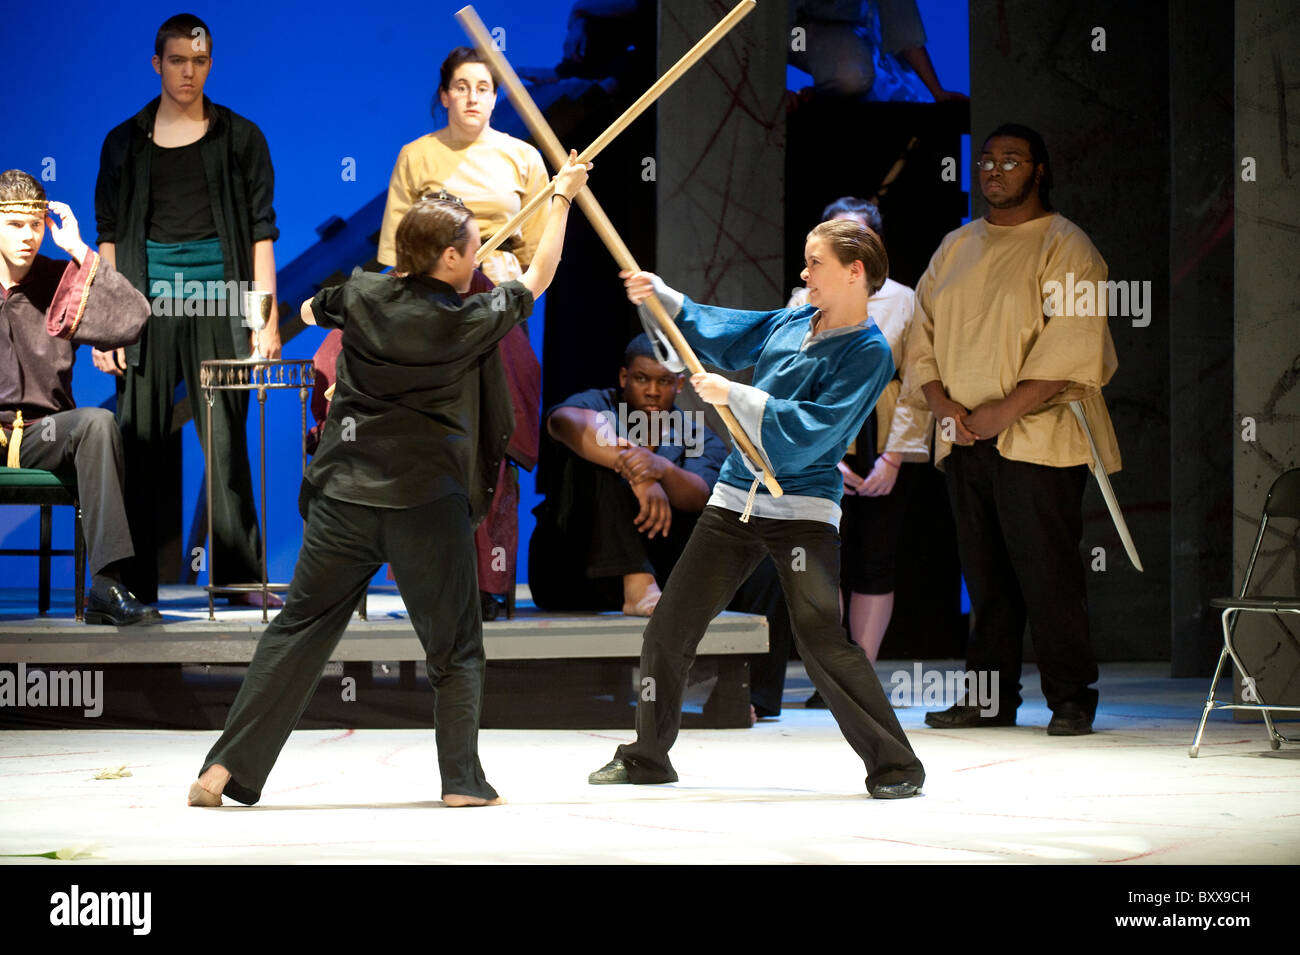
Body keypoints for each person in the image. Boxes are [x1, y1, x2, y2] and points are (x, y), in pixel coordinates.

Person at [186, 153, 590, 809]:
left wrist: (378, 287)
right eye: (467, 246)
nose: (473, 255)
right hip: (424, 503)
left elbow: (315, 311)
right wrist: (563, 198)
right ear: (455, 261)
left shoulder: (362, 293)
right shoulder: (466, 317)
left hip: (344, 495)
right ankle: (461, 781)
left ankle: (221, 770)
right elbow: (540, 276)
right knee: (455, 645)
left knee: (297, 629)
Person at [588, 218, 925, 797]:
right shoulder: (797, 318)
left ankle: (896, 765)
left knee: (822, 641)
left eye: (815, 262)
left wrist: (737, 396)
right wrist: (664, 297)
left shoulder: (870, 354)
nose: (803, 273)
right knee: (669, 628)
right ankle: (647, 756)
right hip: (735, 502)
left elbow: (814, 434)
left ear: (855, 271)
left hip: (801, 513)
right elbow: (728, 333)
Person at [903, 123, 1122, 736]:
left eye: (1012, 161)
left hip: (1040, 437)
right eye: (988, 161)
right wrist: (944, 405)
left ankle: (1072, 696)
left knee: (1047, 573)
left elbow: (1073, 342)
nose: (996, 171)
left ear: (1039, 171)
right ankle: (989, 698)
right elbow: (921, 335)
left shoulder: (1064, 245)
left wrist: (1003, 411)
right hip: (965, 436)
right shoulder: (955, 246)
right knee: (986, 579)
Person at [93, 13, 279, 607]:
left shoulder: (241, 138)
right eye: (177, 61)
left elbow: (260, 234)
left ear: (210, 64)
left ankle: (240, 579)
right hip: (145, 304)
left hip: (219, 301)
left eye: (199, 62)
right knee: (139, 439)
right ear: (157, 64)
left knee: (225, 440)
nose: (188, 72)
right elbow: (108, 242)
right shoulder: (124, 141)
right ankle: (133, 581)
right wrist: (109, 321)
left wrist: (264, 317)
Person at [531, 333, 795, 719]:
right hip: (576, 568)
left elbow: (702, 494)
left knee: (767, 560)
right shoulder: (600, 404)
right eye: (642, 379)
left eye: (664, 381)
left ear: (680, 384)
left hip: (660, 569)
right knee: (591, 457)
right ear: (624, 377)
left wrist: (661, 470)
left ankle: (749, 697)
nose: (653, 392)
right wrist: (633, 465)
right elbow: (563, 422)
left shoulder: (694, 432)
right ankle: (634, 580)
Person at [379, 45, 548, 617]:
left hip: (495, 312)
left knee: (494, 443)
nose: (473, 97)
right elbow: (395, 256)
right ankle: (428, 584)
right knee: (429, 443)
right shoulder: (416, 157)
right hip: (430, 314)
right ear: (444, 93)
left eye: (484, 87)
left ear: (496, 96)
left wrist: (513, 283)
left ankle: (490, 585)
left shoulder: (523, 158)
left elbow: (542, 258)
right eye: (462, 86)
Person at [787, 198, 930, 711]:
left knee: (876, 557)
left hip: (885, 439)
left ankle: (860, 677)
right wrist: (824, 452)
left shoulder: (904, 300)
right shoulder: (806, 297)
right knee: (826, 559)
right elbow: (794, 375)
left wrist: (893, 458)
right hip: (827, 442)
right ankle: (831, 673)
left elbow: (917, 380)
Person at [0, 171, 158, 625]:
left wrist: (78, 250)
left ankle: (107, 584)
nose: (28, 235)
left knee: (97, 422)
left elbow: (134, 318)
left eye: (35, 224)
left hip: (43, 433)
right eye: (14, 224)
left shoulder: (59, 280)